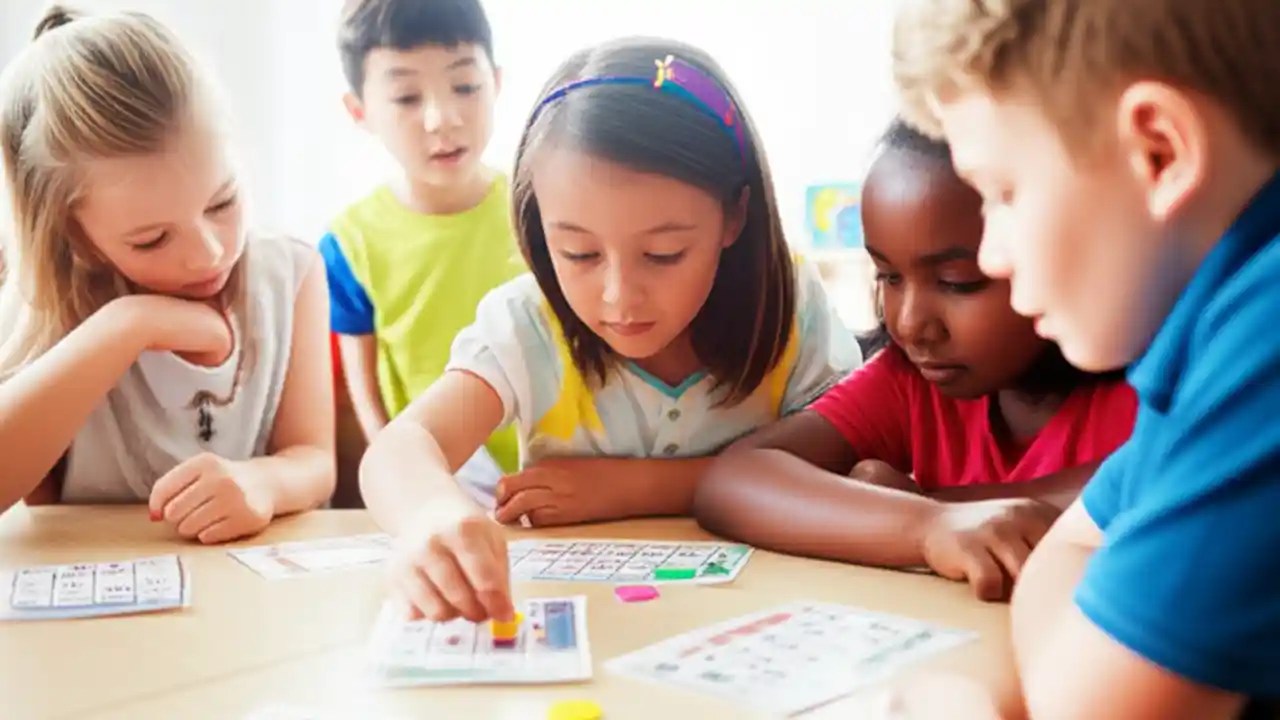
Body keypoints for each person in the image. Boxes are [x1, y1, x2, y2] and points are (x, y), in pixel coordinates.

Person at [361, 37, 859, 622]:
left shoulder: (789, 307)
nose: (620, 296)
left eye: (665, 253)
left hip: (766, 626)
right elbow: (399, 448)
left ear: (735, 215)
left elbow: (848, 461)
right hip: (594, 638)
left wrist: (631, 488)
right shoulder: (529, 324)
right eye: (577, 253)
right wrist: (431, 516)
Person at [890, 0, 1280, 717]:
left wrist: (962, 702)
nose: (990, 253)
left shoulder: (1266, 336)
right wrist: (1064, 678)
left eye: (1003, 193)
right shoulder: (1210, 338)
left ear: (1159, 152)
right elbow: (1064, 553)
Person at [695, 119, 1135, 601]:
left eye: (957, 282)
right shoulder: (911, 383)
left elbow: (1137, 491)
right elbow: (733, 479)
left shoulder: (1154, 390)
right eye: (888, 276)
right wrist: (928, 526)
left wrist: (921, 504)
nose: (908, 324)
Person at [0, 7, 335, 543]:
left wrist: (264, 483)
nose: (207, 254)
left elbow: (315, 458)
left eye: (223, 201)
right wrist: (130, 322)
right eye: (152, 239)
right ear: (78, 237)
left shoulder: (292, 273)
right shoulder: (51, 301)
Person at [323, 0, 524, 491]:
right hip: (439, 475)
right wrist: (396, 476)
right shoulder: (351, 242)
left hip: (549, 465)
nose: (442, 118)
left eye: (465, 87)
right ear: (359, 111)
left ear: (495, 83)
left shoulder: (537, 212)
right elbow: (366, 394)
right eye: (407, 97)